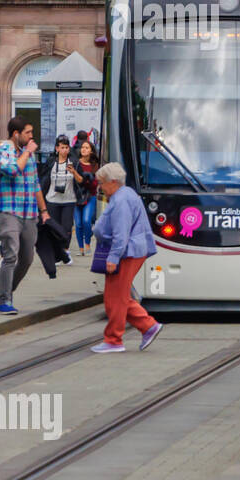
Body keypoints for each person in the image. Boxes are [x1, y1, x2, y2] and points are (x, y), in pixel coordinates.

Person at [91, 162, 162, 353]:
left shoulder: (121, 200)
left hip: (126, 252)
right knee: (119, 295)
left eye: (102, 183)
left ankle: (114, 339)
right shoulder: (125, 194)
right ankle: (148, 326)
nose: (101, 187)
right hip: (130, 251)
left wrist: (113, 258)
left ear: (113, 182)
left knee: (116, 297)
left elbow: (121, 233)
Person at [0, 118, 51, 314]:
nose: (32, 137)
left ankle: (8, 289)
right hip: (8, 212)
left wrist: (44, 211)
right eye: (28, 133)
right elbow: (13, 170)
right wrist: (27, 152)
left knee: (27, 258)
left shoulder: (30, 157)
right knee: (11, 255)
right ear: (16, 134)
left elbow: (35, 186)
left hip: (29, 213)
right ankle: (4, 301)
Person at [41, 135, 81, 264]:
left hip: (69, 200)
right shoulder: (51, 162)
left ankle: (65, 250)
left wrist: (74, 172)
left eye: (66, 147)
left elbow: (81, 180)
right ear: (57, 148)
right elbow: (44, 180)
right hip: (52, 199)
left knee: (67, 227)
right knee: (54, 228)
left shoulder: (74, 162)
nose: (64, 150)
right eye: (62, 147)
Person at [74, 139, 100, 256]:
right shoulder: (76, 163)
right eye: (83, 147)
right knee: (78, 223)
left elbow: (95, 184)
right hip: (76, 196)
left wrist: (85, 181)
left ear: (91, 151)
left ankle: (88, 243)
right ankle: (81, 248)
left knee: (86, 220)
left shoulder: (94, 165)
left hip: (90, 196)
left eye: (87, 148)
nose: (84, 149)